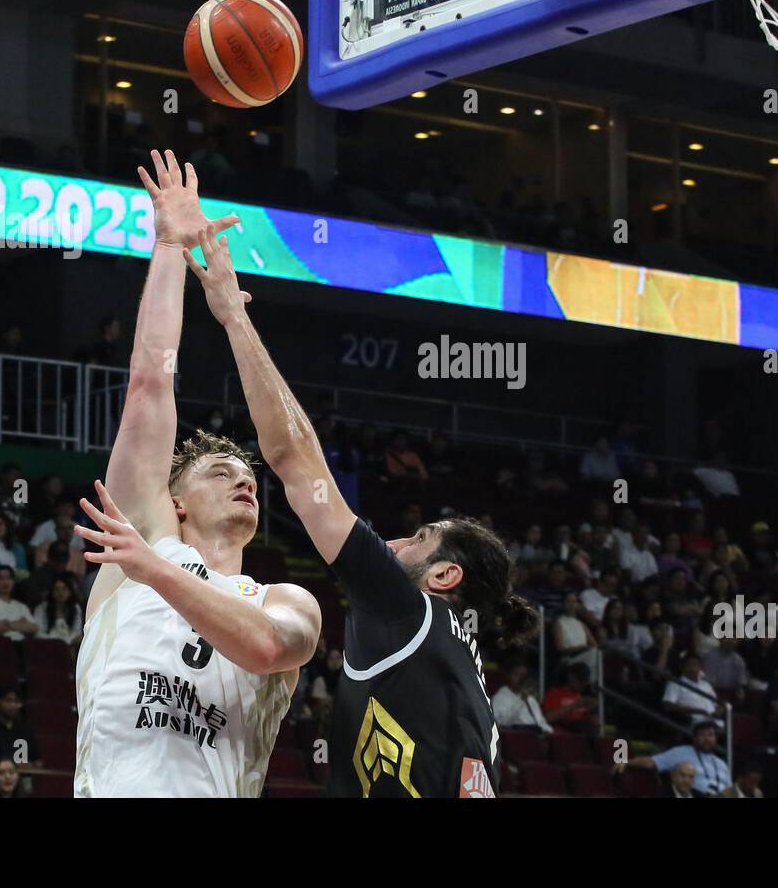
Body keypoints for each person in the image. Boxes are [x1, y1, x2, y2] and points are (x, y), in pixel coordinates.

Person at [180, 204, 535, 798]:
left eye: (417, 539)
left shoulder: (410, 612)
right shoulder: (464, 679)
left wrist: (232, 319)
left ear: (444, 573)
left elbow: (293, 461)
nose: (393, 541)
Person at [72, 152, 322, 798]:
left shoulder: (283, 600)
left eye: (248, 475)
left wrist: (155, 570)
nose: (244, 480)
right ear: (174, 501)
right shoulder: (147, 535)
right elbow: (151, 381)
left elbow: (267, 648)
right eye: (219, 470)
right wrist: (168, 245)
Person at [621, 720, 732, 796]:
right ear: (694, 738)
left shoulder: (721, 764)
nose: (707, 739)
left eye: (710, 735)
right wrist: (625, 762)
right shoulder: (681, 752)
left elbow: (731, 791)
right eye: (702, 735)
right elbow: (652, 762)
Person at [0, 685, 41, 767]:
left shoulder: (25, 729)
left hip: (23, 777)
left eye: (16, 702)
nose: (13, 705)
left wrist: (30, 765)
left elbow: (38, 761)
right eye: (8, 701)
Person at [0, 567, 39, 642]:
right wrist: (20, 623)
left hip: (22, 644)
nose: (6, 582)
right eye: (1, 578)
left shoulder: (22, 606)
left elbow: (34, 628)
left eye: (9, 578)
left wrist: (6, 623)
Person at [492, 661, 552, 733]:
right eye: (517, 675)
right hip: (514, 737)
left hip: (534, 736)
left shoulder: (530, 698)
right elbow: (501, 723)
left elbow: (541, 722)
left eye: (523, 676)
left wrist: (548, 731)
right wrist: (520, 701)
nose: (521, 679)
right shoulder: (499, 698)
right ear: (508, 676)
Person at [542, 662, 601, 736]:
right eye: (581, 680)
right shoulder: (554, 693)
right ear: (571, 677)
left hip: (582, 737)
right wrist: (574, 706)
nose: (583, 684)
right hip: (561, 737)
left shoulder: (581, 697)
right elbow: (547, 718)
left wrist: (593, 711)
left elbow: (595, 726)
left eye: (585, 681)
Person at [35, 573, 83, 645]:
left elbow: (77, 631)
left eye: (64, 589)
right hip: (48, 643)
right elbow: (38, 632)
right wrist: (56, 642)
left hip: (69, 642)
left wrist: (67, 641)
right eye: (56, 589)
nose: (60, 593)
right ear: (51, 592)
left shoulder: (76, 608)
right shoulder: (42, 608)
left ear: (70, 591)